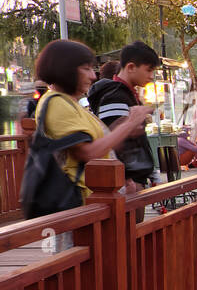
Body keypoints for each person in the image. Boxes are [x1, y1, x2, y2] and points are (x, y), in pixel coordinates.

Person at [28, 39, 152, 208]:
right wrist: (130, 123)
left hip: (92, 200)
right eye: (86, 69)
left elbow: (100, 145)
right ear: (65, 69)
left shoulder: (70, 104)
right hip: (77, 205)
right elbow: (88, 152)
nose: (93, 76)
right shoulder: (56, 103)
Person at [87, 40, 162, 187]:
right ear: (131, 67)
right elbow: (113, 140)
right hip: (126, 182)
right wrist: (127, 178)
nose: (152, 76)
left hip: (132, 178)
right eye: (149, 70)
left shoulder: (126, 94)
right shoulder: (115, 96)